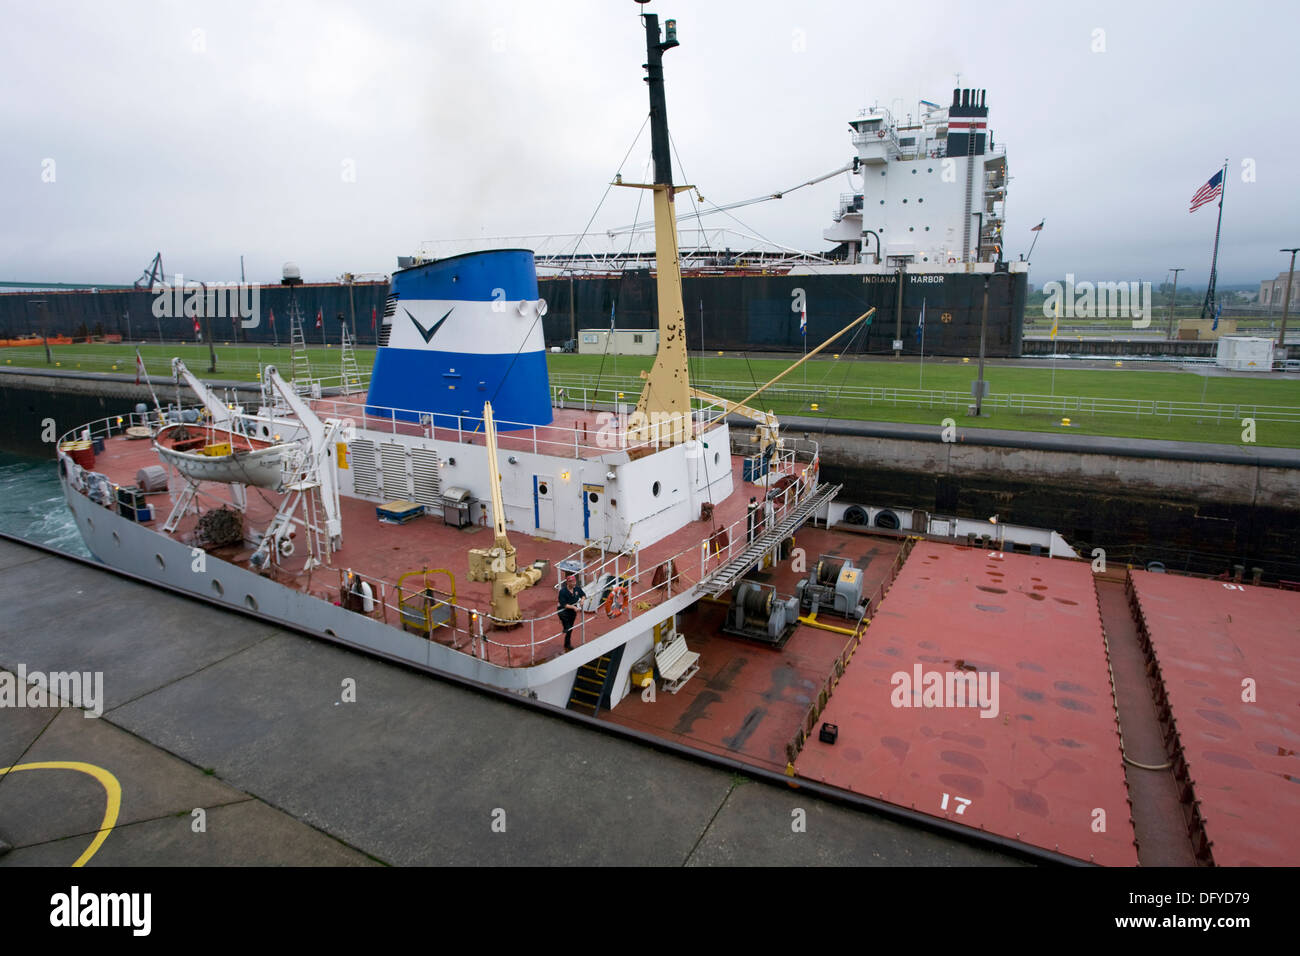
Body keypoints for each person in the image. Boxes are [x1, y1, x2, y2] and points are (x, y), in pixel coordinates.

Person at [557, 573, 585, 650]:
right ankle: (565, 627)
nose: (573, 583)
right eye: (571, 582)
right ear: (567, 582)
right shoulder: (563, 591)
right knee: (567, 625)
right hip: (563, 610)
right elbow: (564, 604)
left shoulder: (577, 589)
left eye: (574, 581)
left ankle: (567, 644)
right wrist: (573, 607)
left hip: (572, 611)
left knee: (570, 629)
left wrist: (582, 600)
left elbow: (583, 595)